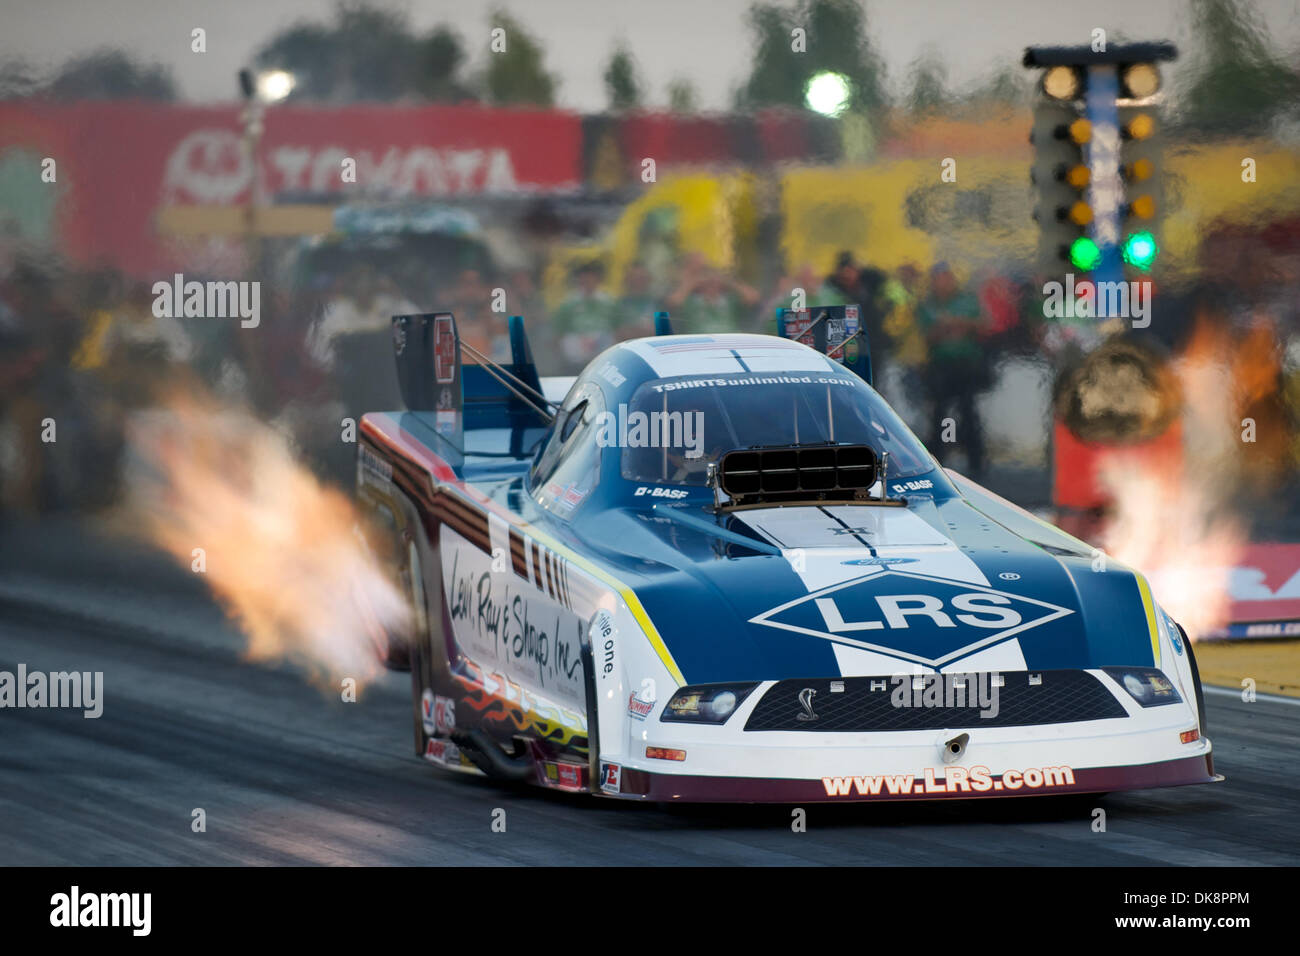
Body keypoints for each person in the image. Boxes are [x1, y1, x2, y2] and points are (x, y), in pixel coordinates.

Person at [916, 262, 992, 478]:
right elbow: (926, 335)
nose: (943, 283)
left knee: (968, 412)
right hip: (941, 365)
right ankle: (937, 459)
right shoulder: (928, 305)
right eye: (938, 279)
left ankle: (976, 461)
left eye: (946, 278)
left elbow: (985, 324)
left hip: (966, 364)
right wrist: (944, 328)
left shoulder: (967, 300)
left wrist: (962, 324)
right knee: (939, 413)